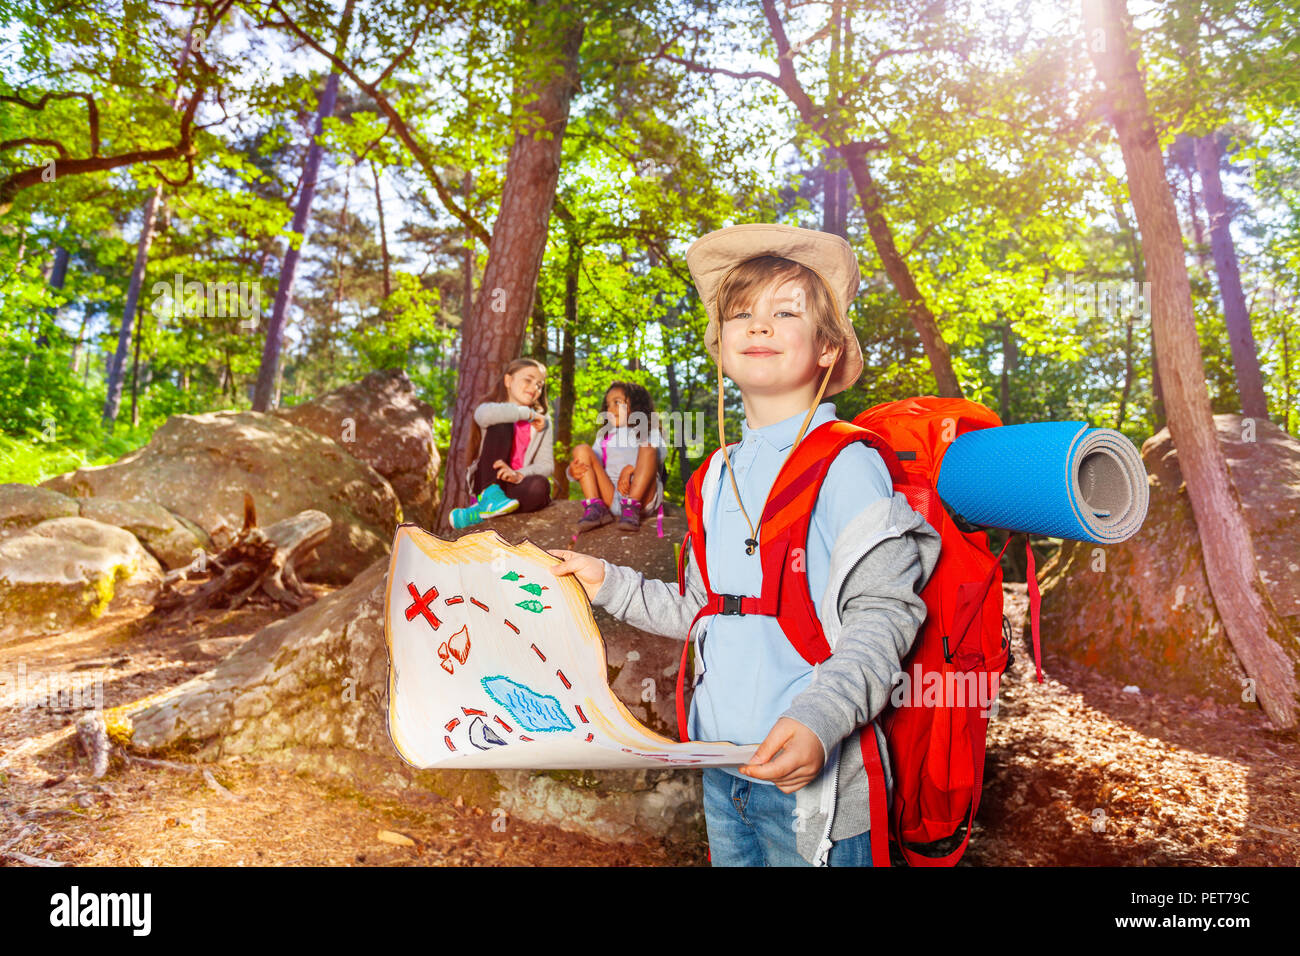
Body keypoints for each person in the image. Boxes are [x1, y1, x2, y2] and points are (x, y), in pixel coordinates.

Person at [550, 224, 942, 866]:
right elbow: (705, 608)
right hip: (720, 765)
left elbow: (886, 615)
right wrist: (606, 581)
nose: (758, 325)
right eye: (741, 314)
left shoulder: (846, 465)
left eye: (785, 313)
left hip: (814, 787)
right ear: (722, 344)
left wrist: (821, 720)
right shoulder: (713, 476)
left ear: (827, 349)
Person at [453, 358, 554, 529]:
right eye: (528, 380)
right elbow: (482, 416)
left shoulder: (543, 422)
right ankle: (490, 497)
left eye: (539, 385)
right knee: (503, 422)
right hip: (488, 482)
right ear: (508, 380)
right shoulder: (492, 409)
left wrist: (517, 474)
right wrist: (527, 414)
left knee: (541, 487)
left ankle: (478, 513)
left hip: (514, 484)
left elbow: (547, 465)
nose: (534, 388)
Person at [566, 381, 668, 535]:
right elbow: (592, 462)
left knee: (649, 449)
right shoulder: (605, 436)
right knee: (581, 449)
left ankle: (631, 507)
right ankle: (595, 507)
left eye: (617, 403)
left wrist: (630, 469)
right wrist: (571, 472)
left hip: (641, 498)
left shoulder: (648, 431)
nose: (610, 409)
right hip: (611, 496)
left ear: (637, 405)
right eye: (608, 405)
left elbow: (660, 455)